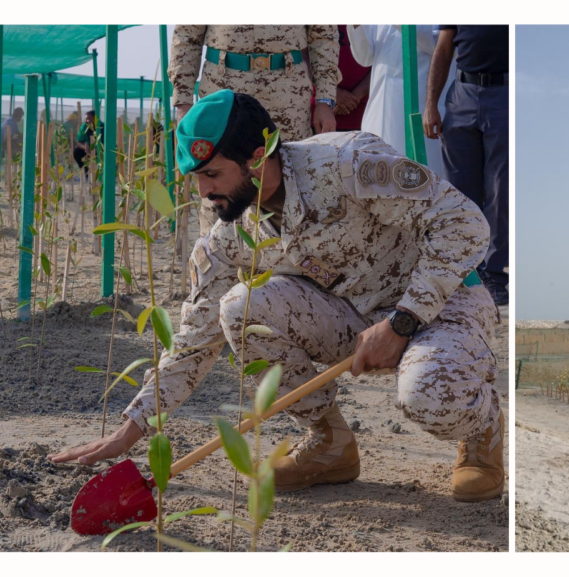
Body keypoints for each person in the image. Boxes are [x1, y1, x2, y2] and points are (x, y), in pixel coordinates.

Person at [48, 90, 505, 502]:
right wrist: (133, 428)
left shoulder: (348, 163)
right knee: (239, 307)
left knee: (428, 396)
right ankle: (331, 444)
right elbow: (194, 339)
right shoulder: (231, 232)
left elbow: (465, 224)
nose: (204, 192)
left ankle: (483, 430)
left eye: (212, 174)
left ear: (258, 154)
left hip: (441, 308)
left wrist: (404, 320)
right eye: (196, 179)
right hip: (358, 320)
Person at [168, 25, 342, 236]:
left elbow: (323, 34)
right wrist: (183, 101)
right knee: (216, 173)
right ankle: (220, 258)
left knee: (290, 179)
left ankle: (288, 260)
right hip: (222, 85)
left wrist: (324, 100)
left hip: (287, 90)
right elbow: (187, 33)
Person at [424, 26, 509, 306]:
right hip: (462, 94)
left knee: (499, 190)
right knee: (459, 192)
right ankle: (464, 272)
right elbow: (444, 48)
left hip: (505, 95)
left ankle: (493, 275)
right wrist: (431, 105)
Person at [347, 25, 454, 177]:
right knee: (377, 182)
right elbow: (364, 57)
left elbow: (442, 45)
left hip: (422, 114)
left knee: (422, 183)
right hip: (378, 113)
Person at [328, 25, 371, 132]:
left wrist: (356, 96)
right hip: (322, 111)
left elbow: (382, 62)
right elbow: (304, 57)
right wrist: (331, 91)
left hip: (364, 112)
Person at [73, 110, 104, 178]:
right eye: (86, 119)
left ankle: (106, 174)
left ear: (95, 119)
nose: (87, 120)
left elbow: (107, 143)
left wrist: (98, 149)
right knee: (77, 152)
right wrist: (85, 147)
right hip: (88, 150)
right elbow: (79, 142)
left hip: (102, 150)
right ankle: (86, 171)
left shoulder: (103, 127)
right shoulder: (84, 126)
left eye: (88, 118)